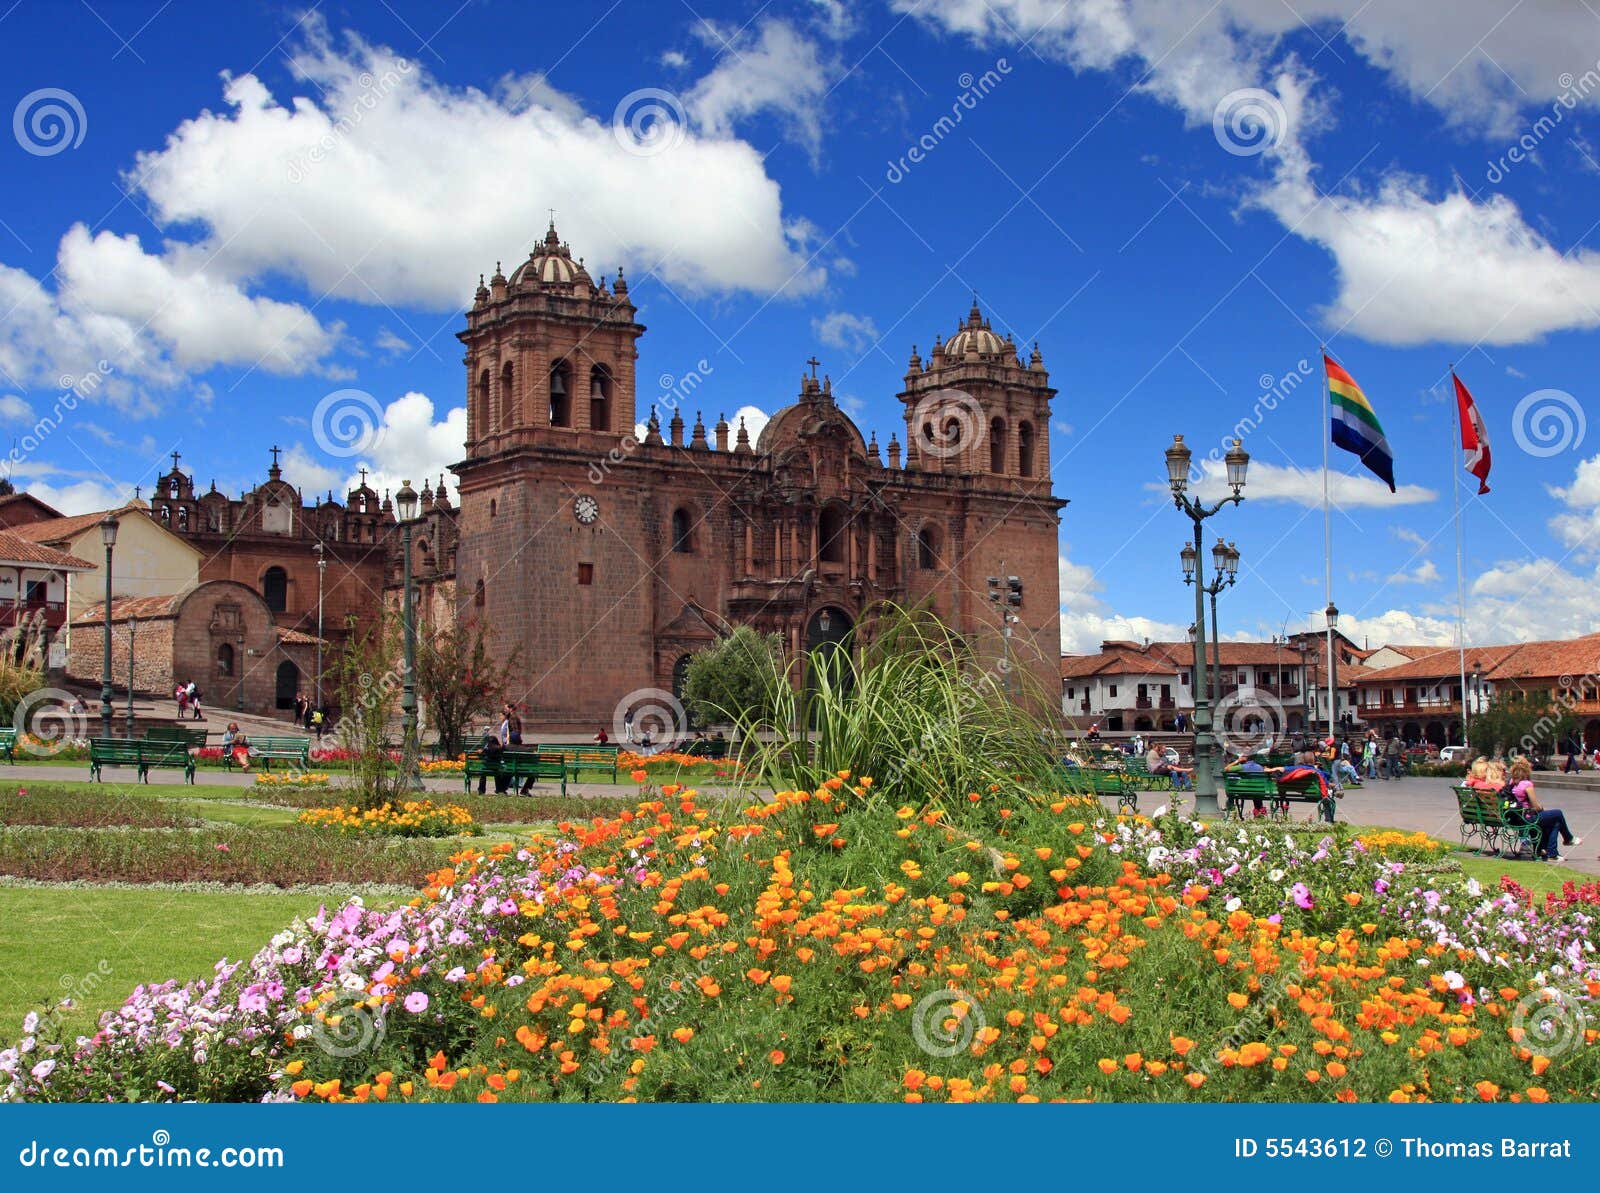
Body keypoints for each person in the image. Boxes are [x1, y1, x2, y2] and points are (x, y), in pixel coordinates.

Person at [1505, 757, 1581, 862]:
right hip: (1527, 818)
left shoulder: (1512, 783)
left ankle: (1545, 851)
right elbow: (1536, 806)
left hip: (1516, 818)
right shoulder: (1527, 784)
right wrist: (1541, 807)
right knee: (1557, 814)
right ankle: (1565, 841)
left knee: (1555, 821)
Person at [477, 728, 509, 794]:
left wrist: (481, 751)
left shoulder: (486, 750)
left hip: (486, 768)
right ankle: (499, 789)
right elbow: (504, 748)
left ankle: (481, 789)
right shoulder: (500, 749)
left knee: (483, 773)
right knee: (497, 774)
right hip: (496, 768)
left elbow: (481, 755)